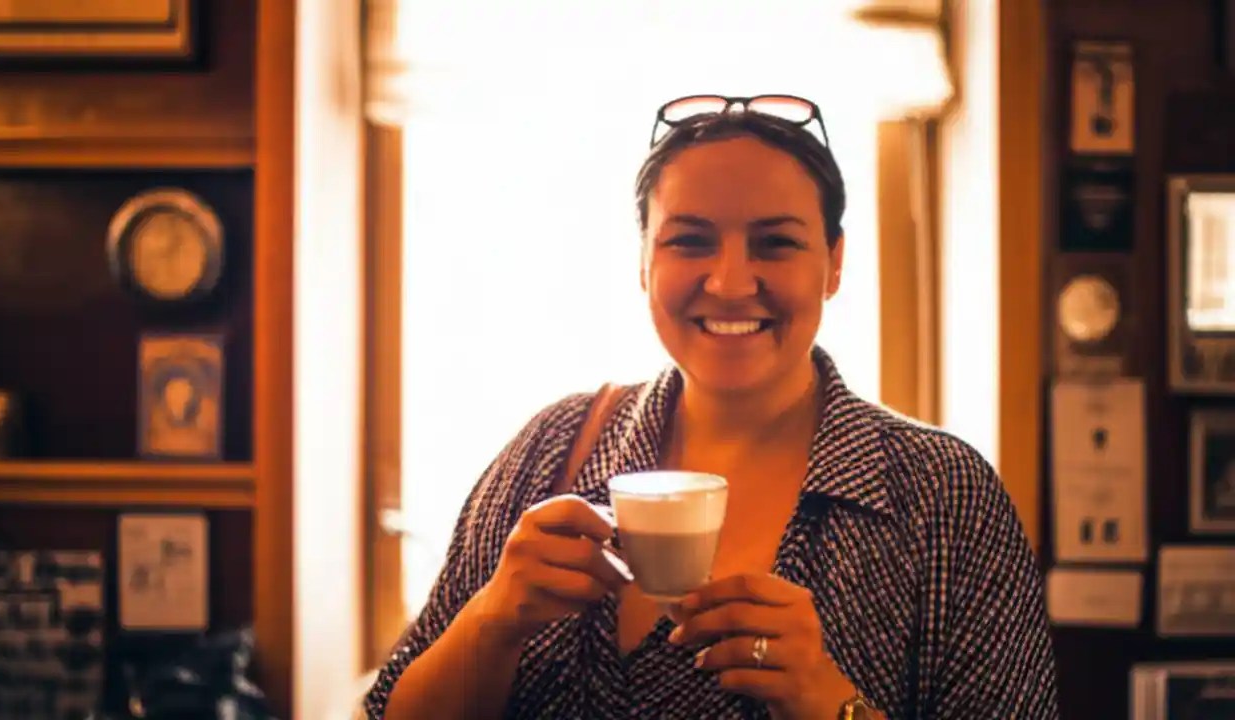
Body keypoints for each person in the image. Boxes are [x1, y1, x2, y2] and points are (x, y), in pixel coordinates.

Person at [365, 94, 1058, 719]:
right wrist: (492, 620)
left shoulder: (942, 495)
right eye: (689, 240)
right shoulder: (552, 451)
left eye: (776, 243)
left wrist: (825, 697)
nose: (729, 283)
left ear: (834, 263)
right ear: (644, 262)